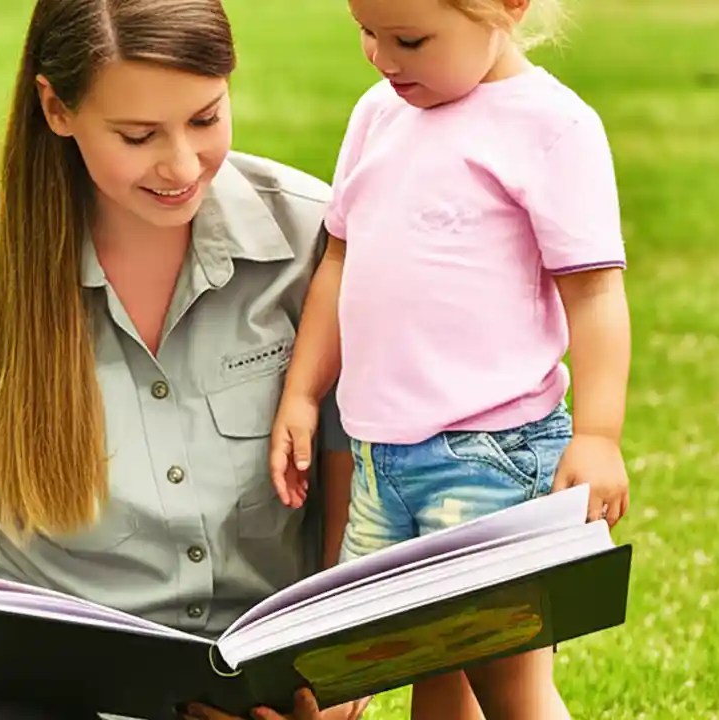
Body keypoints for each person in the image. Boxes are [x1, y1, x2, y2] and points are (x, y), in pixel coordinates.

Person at [0, 1, 415, 718]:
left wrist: (332, 684)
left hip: (260, 692)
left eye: (205, 118)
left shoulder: (316, 246)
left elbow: (356, 520)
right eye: (138, 136)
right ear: (56, 108)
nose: (182, 165)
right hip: (35, 689)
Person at [269, 0, 632, 718]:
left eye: (408, 39)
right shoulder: (378, 115)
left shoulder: (551, 128)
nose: (381, 57)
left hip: (493, 456)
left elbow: (593, 294)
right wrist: (303, 392)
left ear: (507, 8)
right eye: (366, 33)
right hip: (382, 461)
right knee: (385, 666)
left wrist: (597, 434)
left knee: (505, 678)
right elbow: (340, 261)